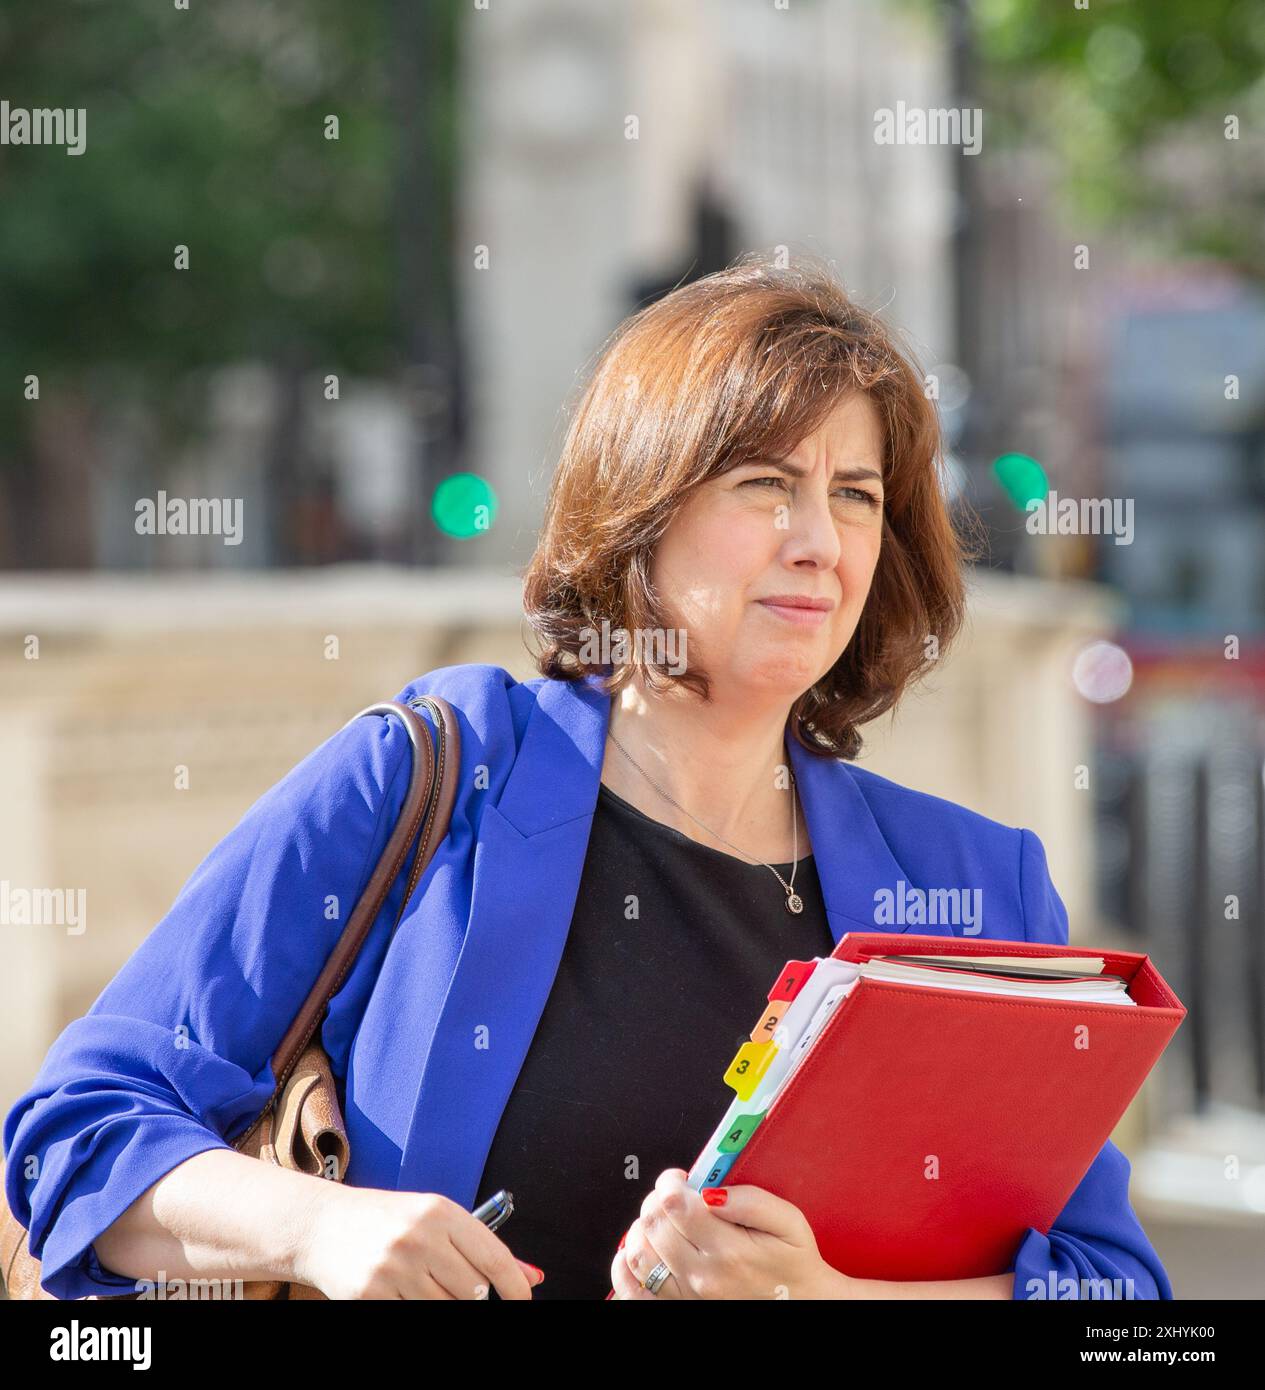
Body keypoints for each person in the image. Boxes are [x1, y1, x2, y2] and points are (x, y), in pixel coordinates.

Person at [3, 254, 1172, 1300]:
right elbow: (76, 1133)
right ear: (641, 509)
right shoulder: (426, 774)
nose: (817, 540)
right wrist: (322, 1229)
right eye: (764, 484)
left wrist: (825, 1299)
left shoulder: (975, 884)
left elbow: (1113, 1291)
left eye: (854, 495)